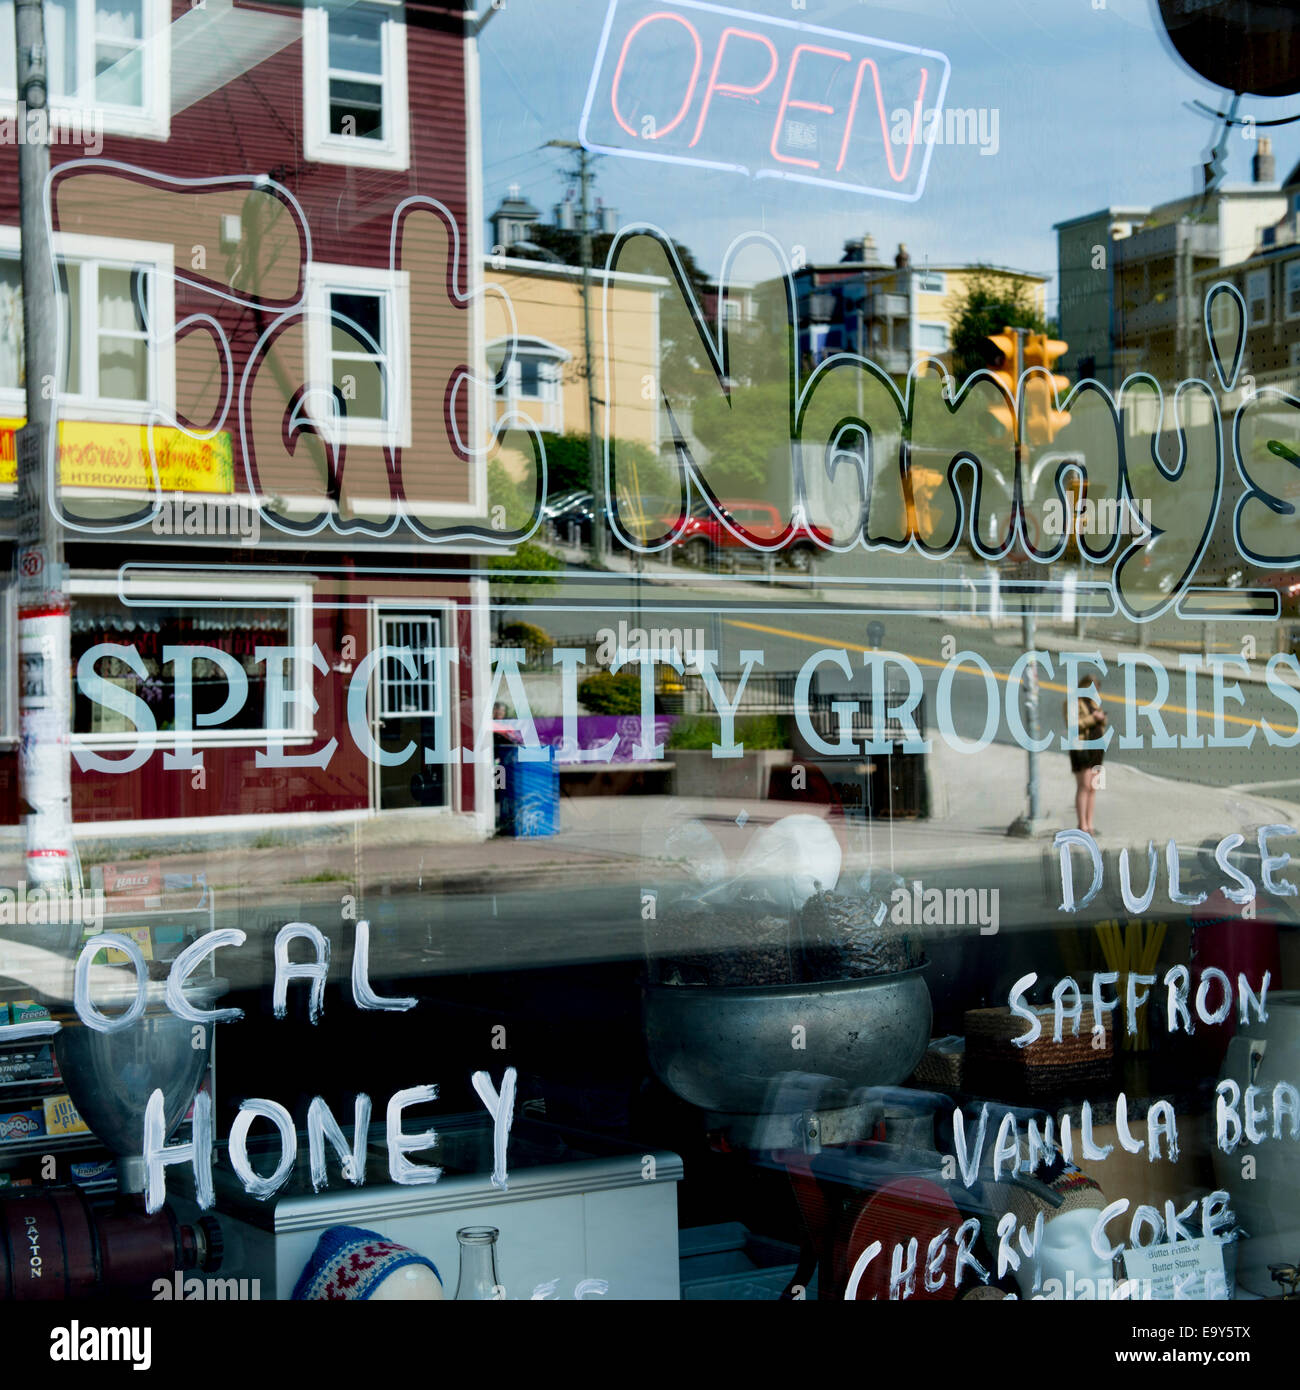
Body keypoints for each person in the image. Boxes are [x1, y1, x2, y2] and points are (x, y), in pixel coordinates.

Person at [1067, 680, 1106, 834]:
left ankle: (1090, 824)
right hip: (1082, 749)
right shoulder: (1073, 704)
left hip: (1096, 749)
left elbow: (1102, 724)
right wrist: (1093, 718)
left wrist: (1101, 718)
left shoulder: (1094, 704)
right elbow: (1073, 724)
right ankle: (1082, 824)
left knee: (1093, 787)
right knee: (1084, 786)